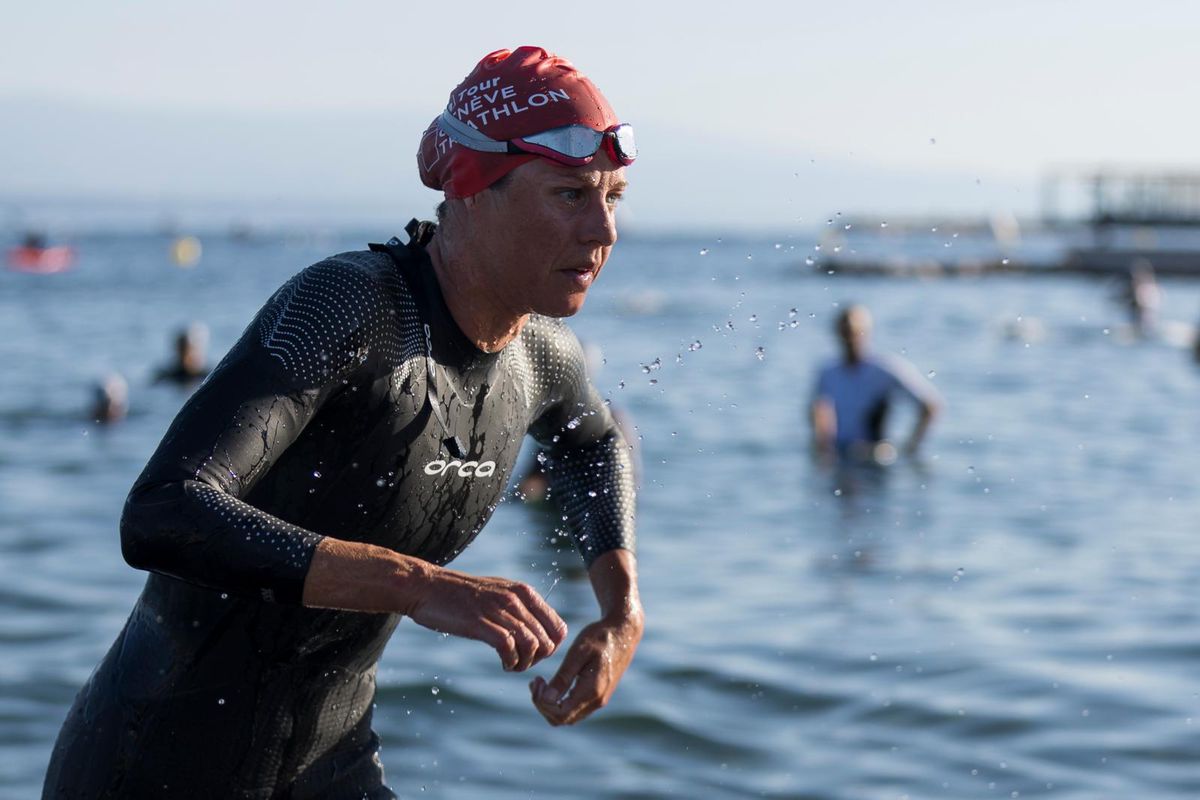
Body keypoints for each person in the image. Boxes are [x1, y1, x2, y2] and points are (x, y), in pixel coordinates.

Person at [44, 46, 642, 799]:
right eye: (569, 194)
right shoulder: (351, 310)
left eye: (613, 195)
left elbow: (593, 446)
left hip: (329, 763)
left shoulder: (544, 359)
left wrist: (622, 613)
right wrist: (420, 587)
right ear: (474, 188)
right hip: (155, 762)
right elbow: (162, 510)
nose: (604, 230)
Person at [810, 304, 941, 463]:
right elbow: (817, 411)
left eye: (854, 332)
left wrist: (910, 448)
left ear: (866, 332)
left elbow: (930, 405)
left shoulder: (885, 369)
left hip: (873, 460)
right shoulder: (828, 372)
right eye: (845, 332)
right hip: (841, 455)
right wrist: (822, 447)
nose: (850, 339)